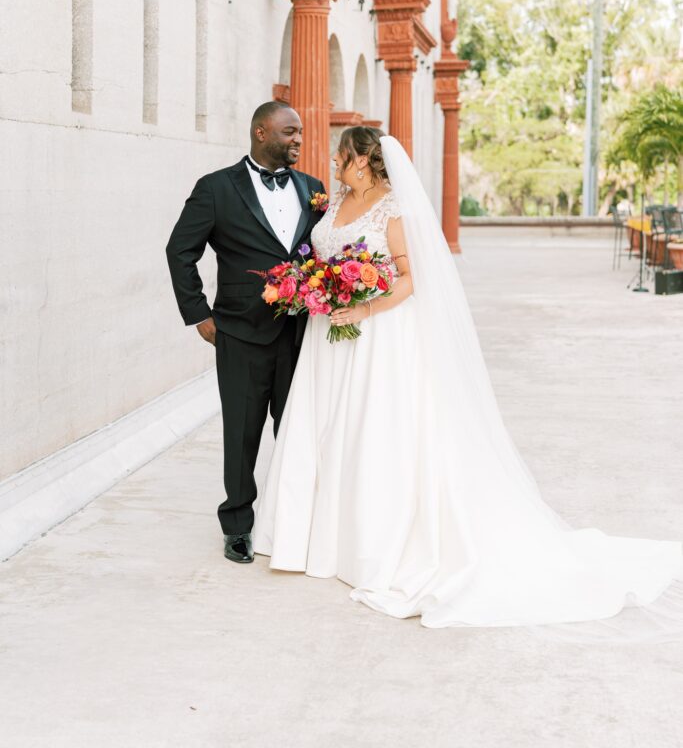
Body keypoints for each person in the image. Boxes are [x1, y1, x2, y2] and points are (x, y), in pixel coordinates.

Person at [252, 126, 683, 638]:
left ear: (362, 162)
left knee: (371, 431)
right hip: (329, 339)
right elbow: (322, 257)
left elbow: (410, 280)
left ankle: (366, 543)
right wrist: (311, 288)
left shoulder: (392, 211)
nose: (334, 163)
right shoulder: (335, 202)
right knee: (326, 430)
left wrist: (361, 307)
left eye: (341, 157)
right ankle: (314, 535)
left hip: (375, 337)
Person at [165, 102, 326, 564]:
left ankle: (298, 518)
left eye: (300, 133)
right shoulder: (215, 188)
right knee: (242, 434)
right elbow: (180, 251)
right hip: (237, 331)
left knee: (299, 429)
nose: (299, 139)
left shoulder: (313, 189)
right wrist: (199, 314)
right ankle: (237, 525)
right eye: (290, 132)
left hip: (302, 331)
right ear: (261, 132)